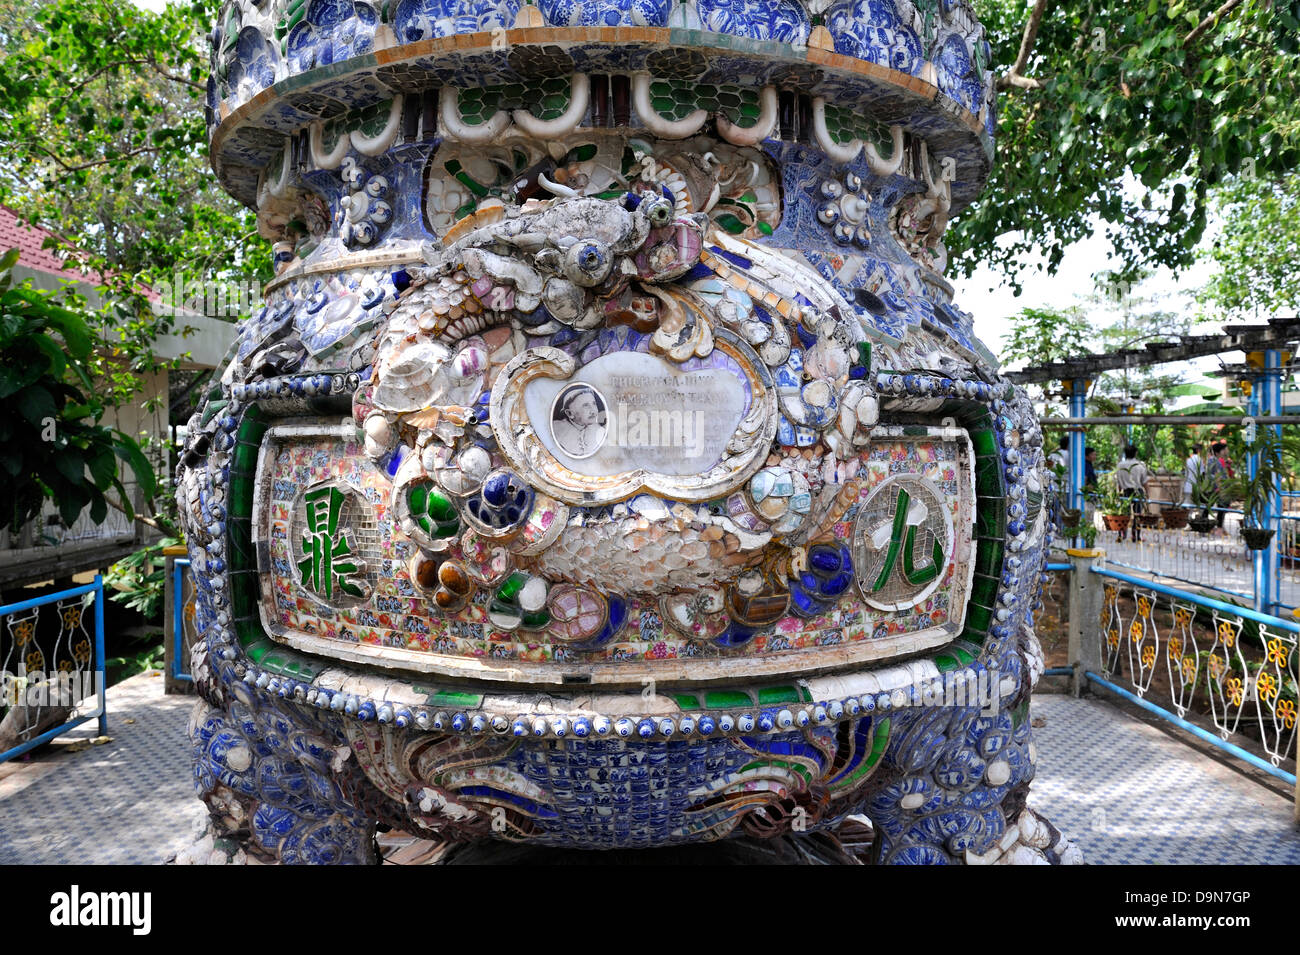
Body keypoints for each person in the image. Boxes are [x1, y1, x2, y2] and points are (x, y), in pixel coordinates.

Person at [551, 385, 607, 458]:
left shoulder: (598, 430)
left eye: (594, 404)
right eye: (586, 406)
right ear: (570, 413)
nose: (593, 411)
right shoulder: (557, 429)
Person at [1114, 443, 1150, 542]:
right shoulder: (1140, 465)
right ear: (1136, 453)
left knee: (1124, 513)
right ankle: (1136, 536)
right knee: (1137, 514)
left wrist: (1118, 492)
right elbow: (1144, 482)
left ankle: (1121, 534)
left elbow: (1119, 481)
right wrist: (1148, 494)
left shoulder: (1120, 465)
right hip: (1137, 491)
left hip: (1125, 491)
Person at [1208, 441, 1233, 528]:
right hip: (1217, 489)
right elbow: (1214, 475)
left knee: (1219, 508)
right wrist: (1219, 487)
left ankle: (1219, 526)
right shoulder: (1213, 461)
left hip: (1219, 488)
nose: (1224, 452)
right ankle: (1216, 527)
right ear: (1217, 452)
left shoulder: (1217, 460)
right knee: (1218, 507)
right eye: (1222, 450)